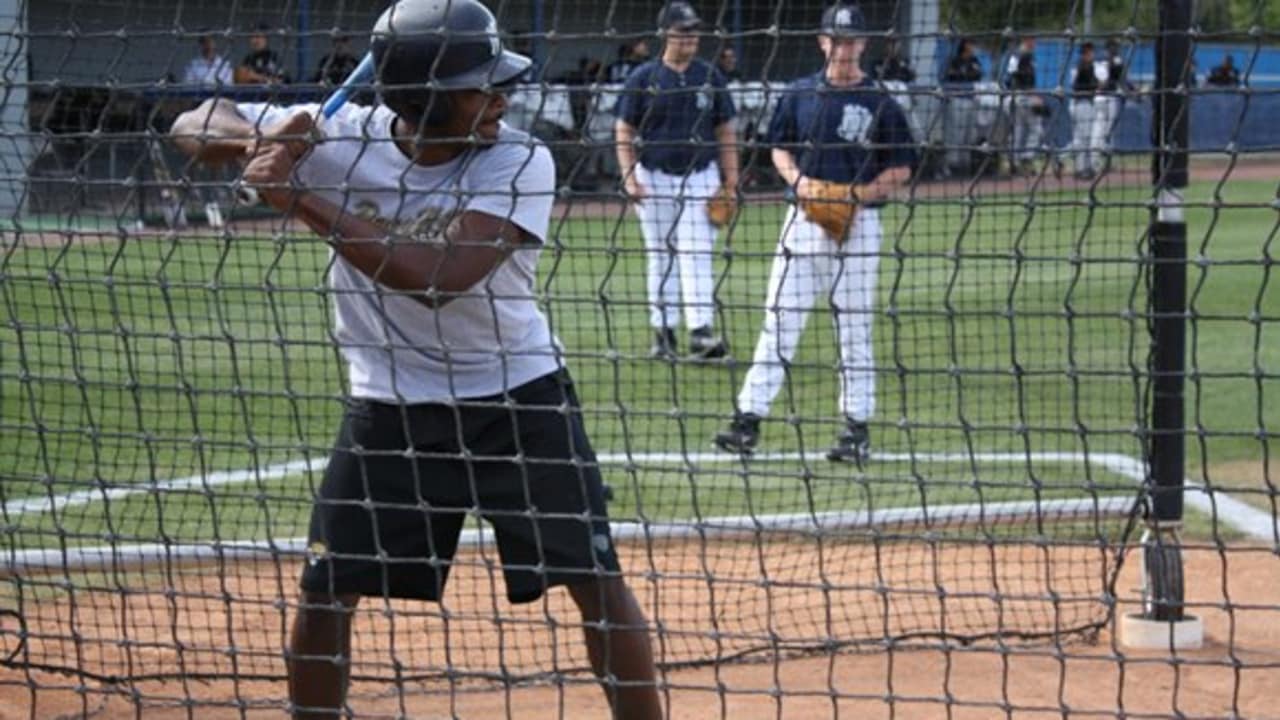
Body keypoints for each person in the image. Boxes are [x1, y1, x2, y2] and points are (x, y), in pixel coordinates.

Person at [168, 1, 663, 718]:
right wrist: (261, 135)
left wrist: (298, 193)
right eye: (476, 85)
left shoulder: (520, 158)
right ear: (419, 97)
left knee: (593, 576)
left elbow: (436, 276)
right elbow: (192, 120)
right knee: (327, 586)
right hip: (391, 404)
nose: (500, 97)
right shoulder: (341, 132)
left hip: (518, 401)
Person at [714, 3, 914, 464]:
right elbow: (777, 149)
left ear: (863, 43)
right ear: (823, 41)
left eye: (850, 40)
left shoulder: (879, 99)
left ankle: (855, 428)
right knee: (779, 319)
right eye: (835, 39)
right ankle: (748, 419)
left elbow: (902, 164)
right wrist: (802, 183)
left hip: (859, 227)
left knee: (854, 327)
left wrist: (857, 197)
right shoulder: (800, 92)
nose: (843, 48)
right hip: (803, 221)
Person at [614, 1, 739, 361]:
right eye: (683, 31)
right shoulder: (643, 77)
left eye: (694, 31)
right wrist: (628, 176)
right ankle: (663, 335)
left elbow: (725, 129)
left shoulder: (709, 75)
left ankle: (701, 332)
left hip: (701, 177)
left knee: (696, 253)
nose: (691, 38)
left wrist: (730, 180)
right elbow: (624, 128)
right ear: (665, 34)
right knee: (660, 256)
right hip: (653, 177)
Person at [1003, 35, 1044, 176]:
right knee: (1036, 129)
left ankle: (1014, 162)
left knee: (1017, 130)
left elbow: (1010, 77)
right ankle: (1026, 158)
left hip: (1013, 96)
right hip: (1022, 95)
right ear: (1026, 39)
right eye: (1032, 39)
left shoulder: (1016, 55)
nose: (1034, 42)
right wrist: (1033, 95)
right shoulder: (1024, 55)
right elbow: (1017, 78)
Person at [1091, 39, 1128, 175]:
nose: (1116, 49)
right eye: (1115, 47)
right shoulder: (1114, 60)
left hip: (1098, 98)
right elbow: (1121, 79)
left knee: (1102, 129)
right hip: (1108, 98)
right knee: (1104, 130)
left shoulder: (1098, 59)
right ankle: (1098, 161)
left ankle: (1103, 162)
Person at [1068, 42, 1100, 179]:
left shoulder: (1080, 65)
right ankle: (1082, 169)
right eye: (1091, 51)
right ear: (1086, 52)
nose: (1092, 54)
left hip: (1077, 103)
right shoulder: (1085, 66)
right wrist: (1098, 85)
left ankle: (1080, 168)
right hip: (1083, 103)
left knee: (1079, 138)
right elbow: (1091, 84)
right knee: (1084, 138)